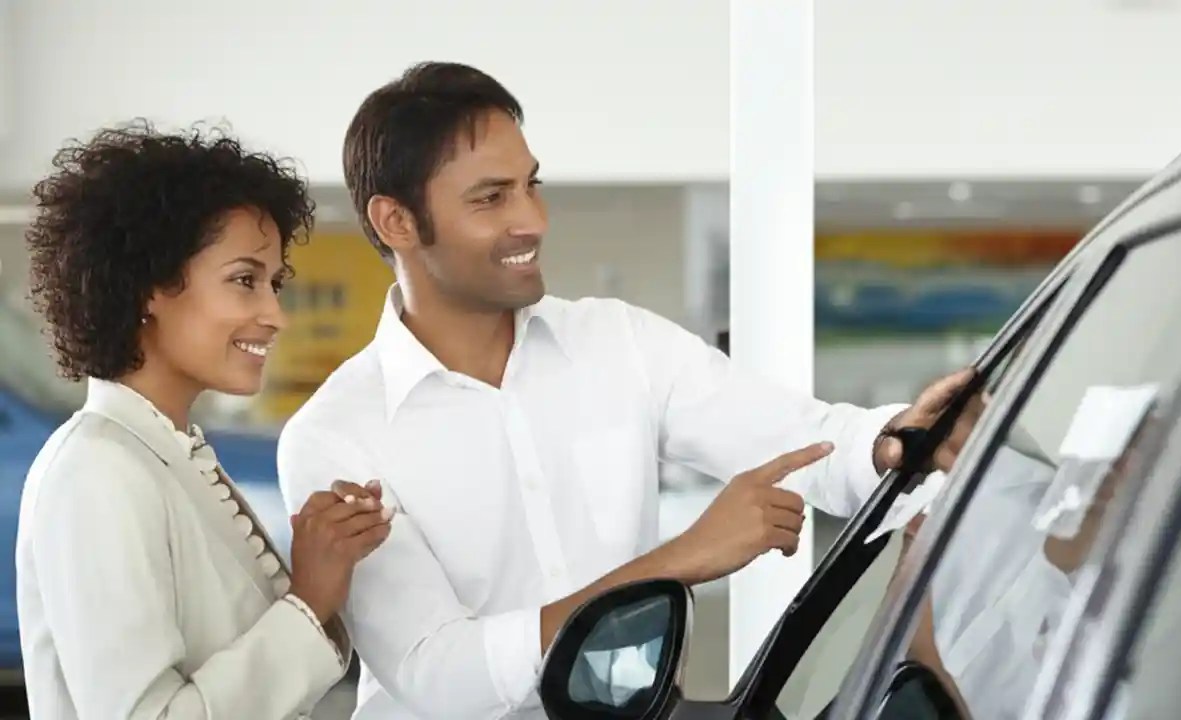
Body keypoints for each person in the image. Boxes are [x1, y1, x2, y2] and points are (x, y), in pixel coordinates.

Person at [276, 61, 976, 719]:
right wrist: (680, 559)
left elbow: (806, 441)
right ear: (396, 221)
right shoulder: (336, 433)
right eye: (491, 198)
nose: (532, 220)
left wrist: (891, 443)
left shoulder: (618, 343)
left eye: (531, 185)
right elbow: (437, 672)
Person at [15, 122, 395, 719]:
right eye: (244, 281)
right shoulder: (96, 471)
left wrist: (322, 573)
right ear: (146, 287)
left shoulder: (164, 454)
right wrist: (307, 601)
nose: (275, 315)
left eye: (273, 284)